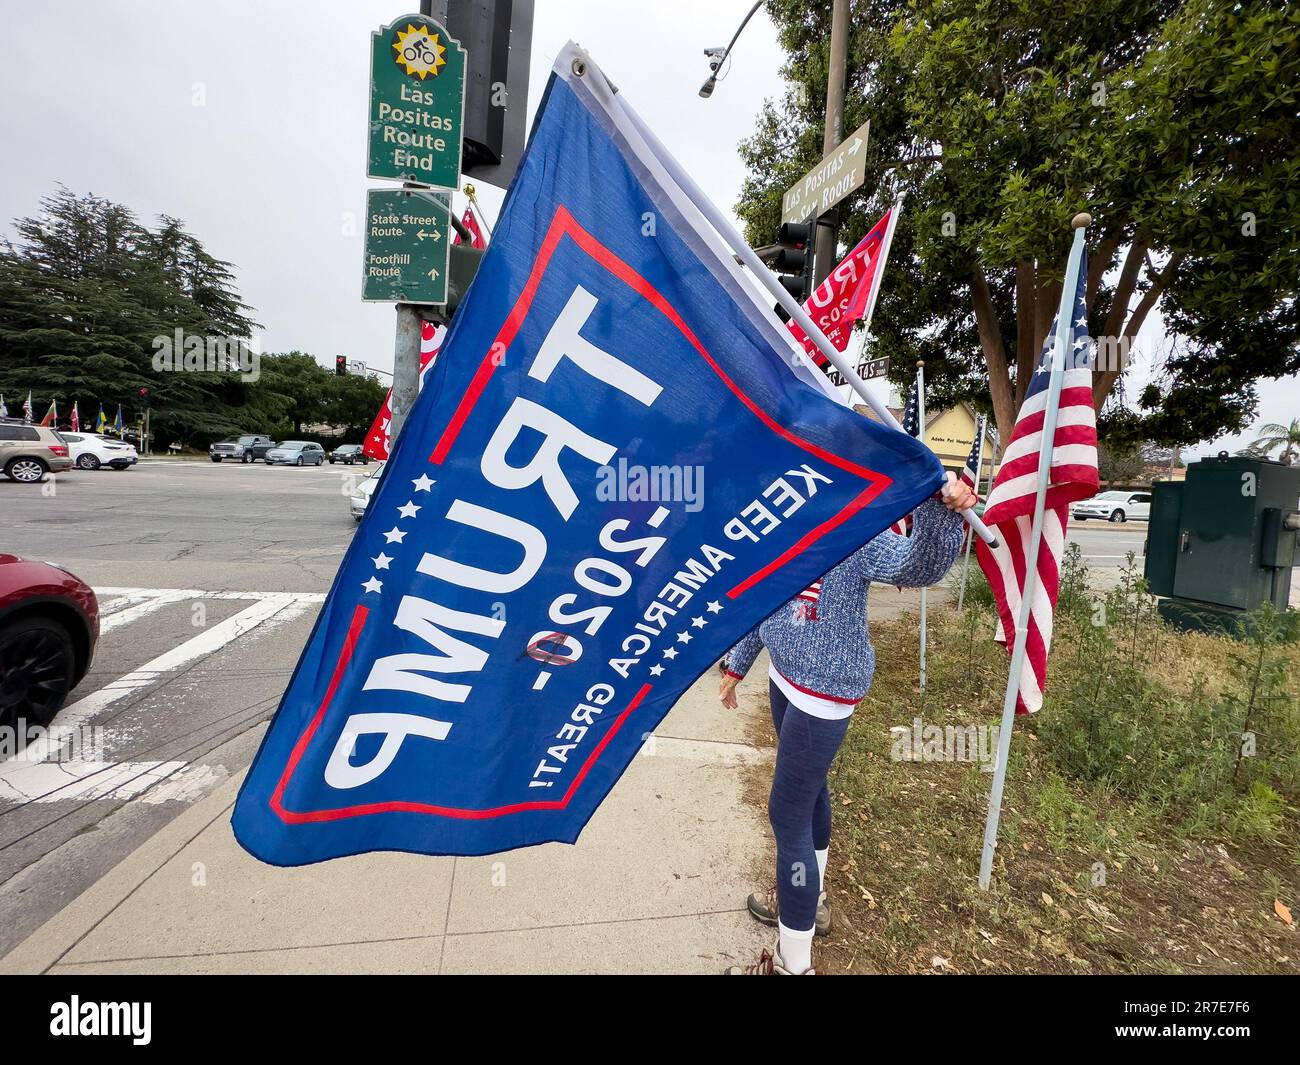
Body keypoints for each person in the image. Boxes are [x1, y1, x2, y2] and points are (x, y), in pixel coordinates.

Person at [721, 470, 977, 975]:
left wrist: (938, 508)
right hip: (785, 677)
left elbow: (917, 565)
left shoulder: (855, 526)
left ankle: (795, 966)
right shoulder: (783, 523)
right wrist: (738, 662)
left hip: (826, 691)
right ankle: (807, 902)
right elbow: (765, 598)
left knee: (786, 814)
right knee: (810, 794)